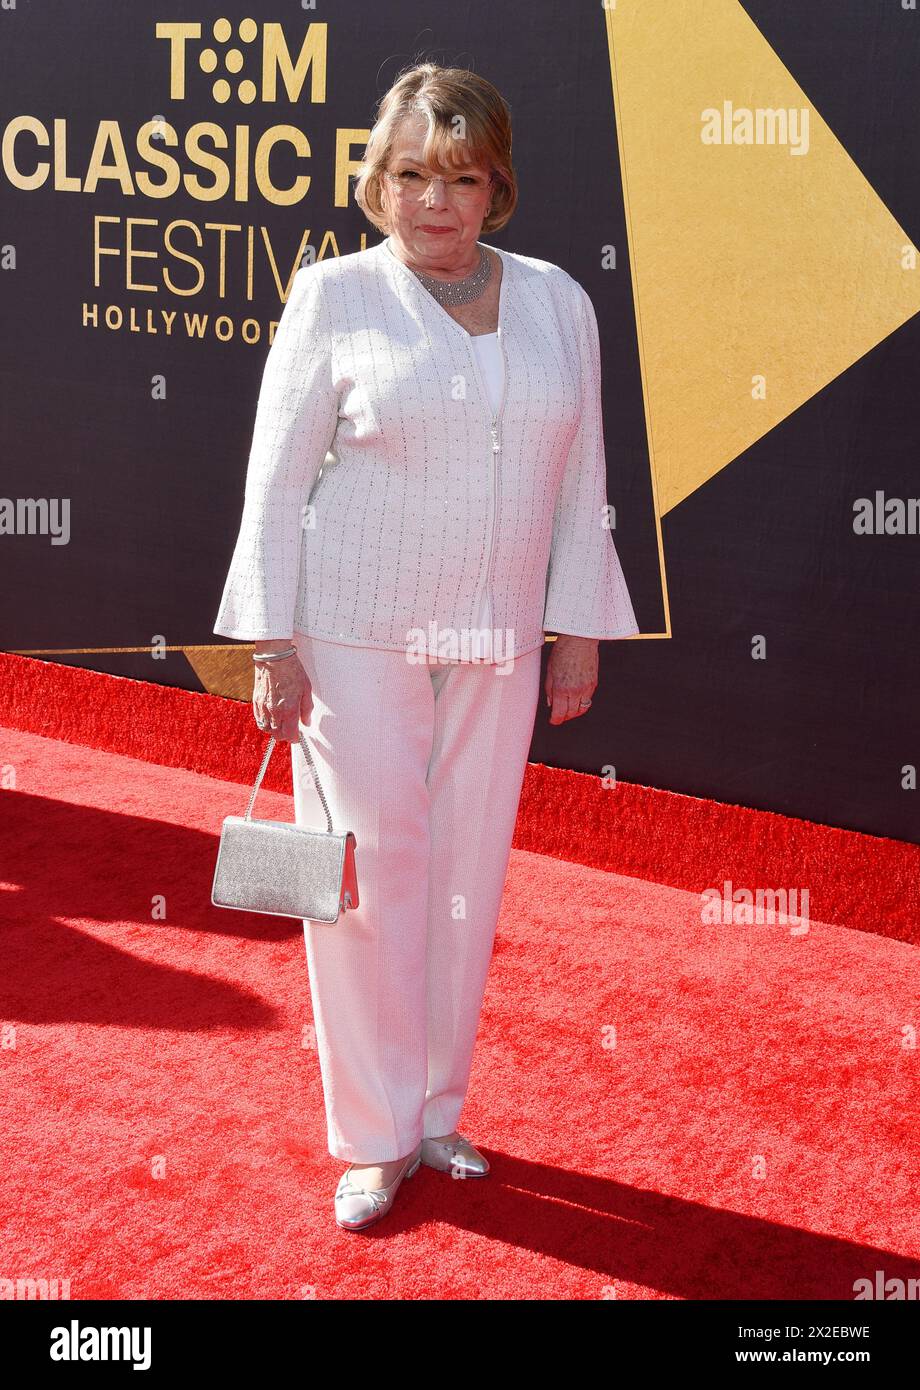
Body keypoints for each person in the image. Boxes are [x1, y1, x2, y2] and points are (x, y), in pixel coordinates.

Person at [213, 61, 639, 1232]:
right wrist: (268, 642)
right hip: (352, 632)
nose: (432, 201)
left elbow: (582, 476)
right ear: (376, 182)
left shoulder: (556, 300)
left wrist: (575, 626)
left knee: (462, 879)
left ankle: (437, 1109)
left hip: (497, 637)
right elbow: (275, 478)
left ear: (496, 186)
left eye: (459, 177)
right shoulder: (334, 296)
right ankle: (372, 1135)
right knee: (365, 881)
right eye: (409, 174)